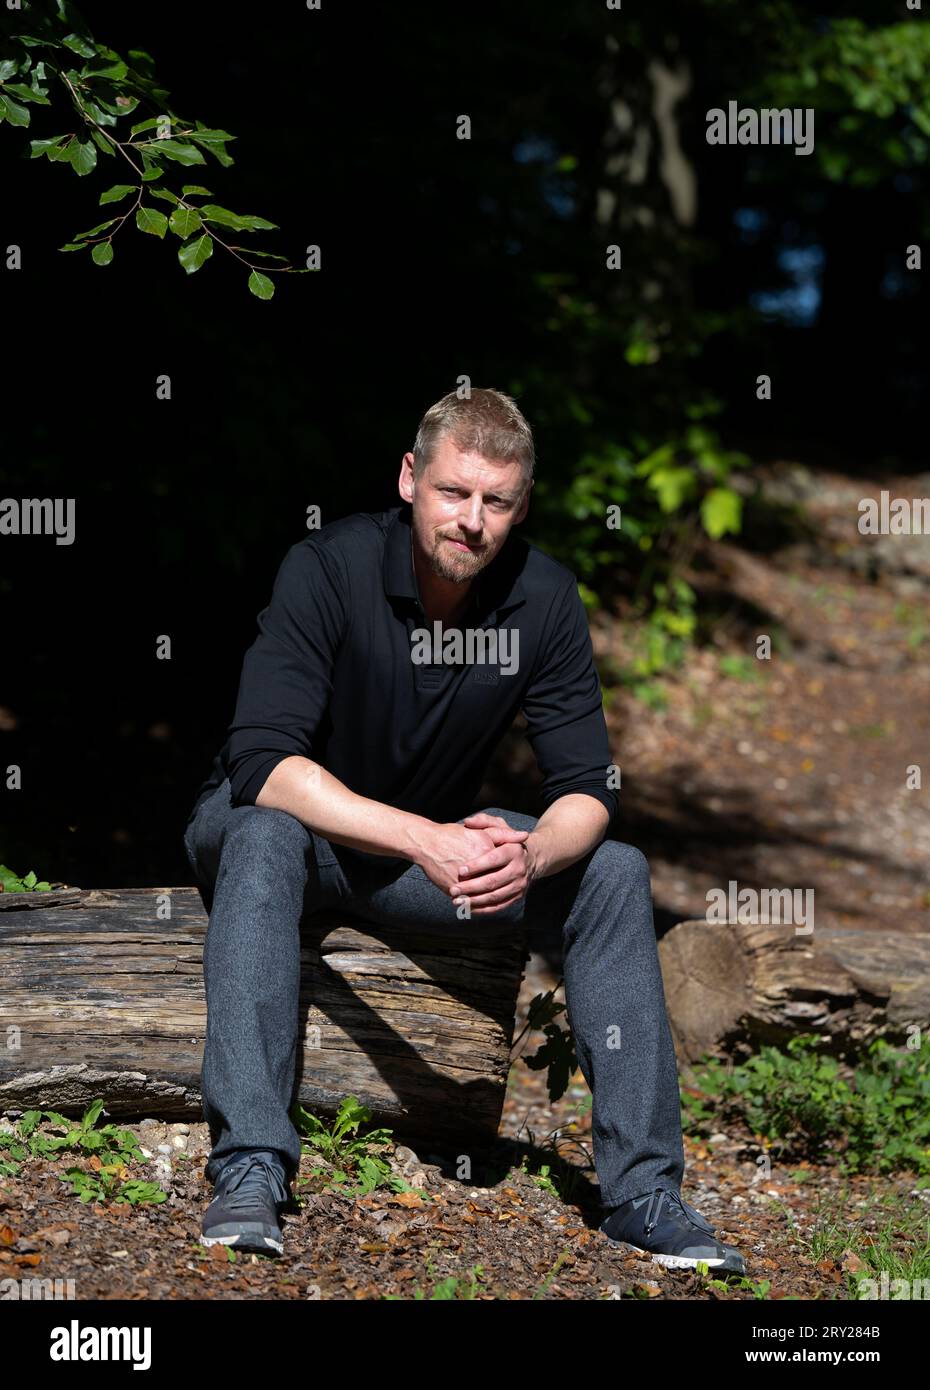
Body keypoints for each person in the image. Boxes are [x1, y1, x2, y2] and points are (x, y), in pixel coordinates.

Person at [182, 387, 745, 1274]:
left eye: (498, 502)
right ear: (411, 478)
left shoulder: (546, 597)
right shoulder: (327, 567)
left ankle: (644, 1191)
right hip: (296, 834)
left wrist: (532, 854)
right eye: (454, 492)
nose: (472, 521)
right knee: (261, 833)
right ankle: (250, 1165)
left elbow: (588, 792)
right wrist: (422, 837)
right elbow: (264, 767)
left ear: (522, 505)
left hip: (414, 854)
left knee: (613, 870)